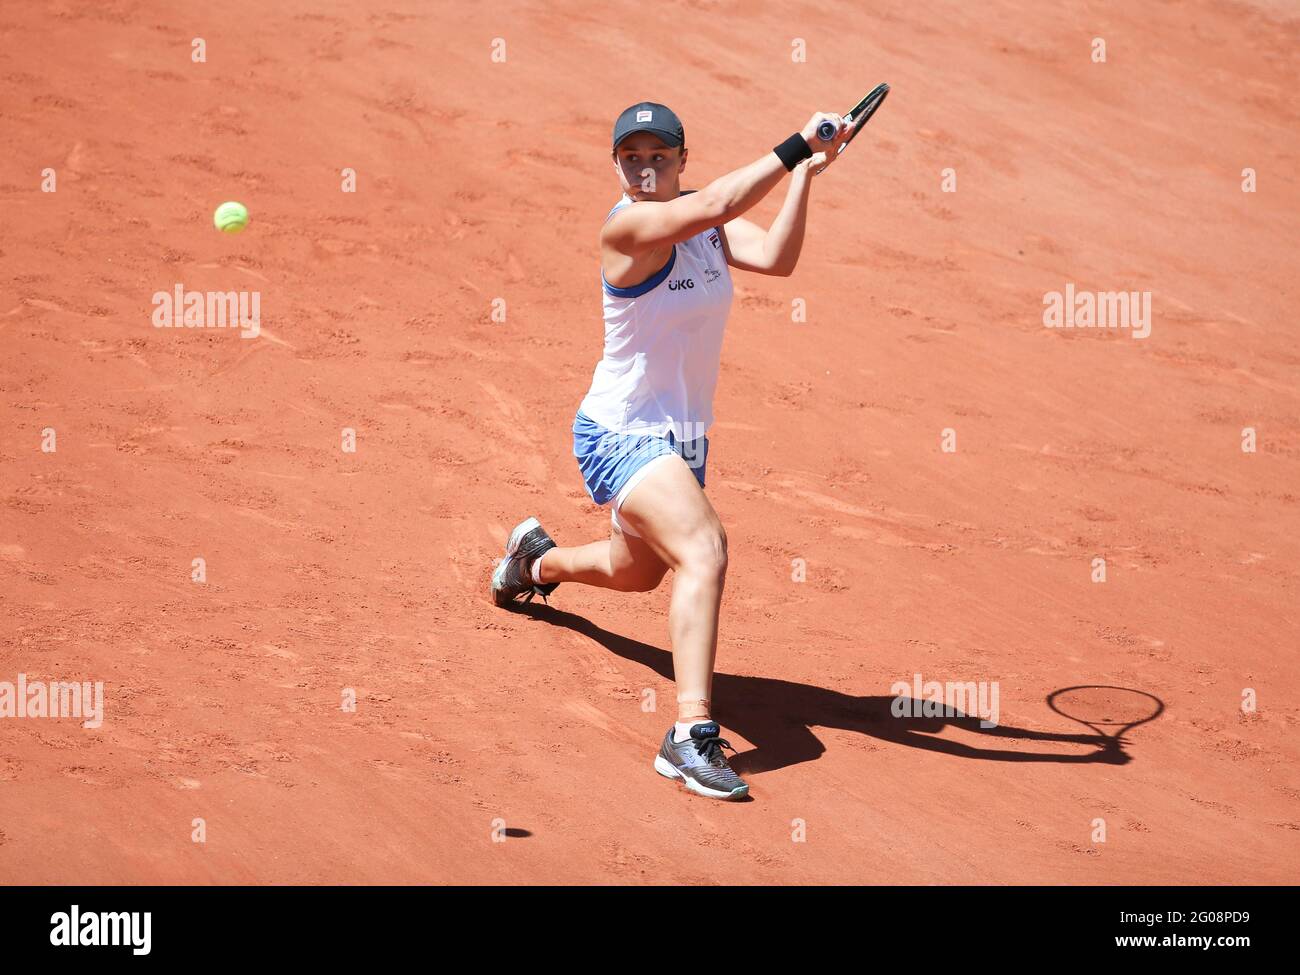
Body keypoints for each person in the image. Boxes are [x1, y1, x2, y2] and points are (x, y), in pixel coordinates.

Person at [492, 101, 858, 800]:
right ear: (617, 165)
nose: (645, 168)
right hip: (620, 431)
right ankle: (689, 735)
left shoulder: (706, 228)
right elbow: (720, 198)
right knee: (705, 549)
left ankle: (531, 561)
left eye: (659, 156)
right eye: (631, 156)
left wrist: (808, 172)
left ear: (681, 160)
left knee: (635, 574)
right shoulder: (629, 226)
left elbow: (776, 257)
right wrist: (793, 145)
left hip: (682, 439)